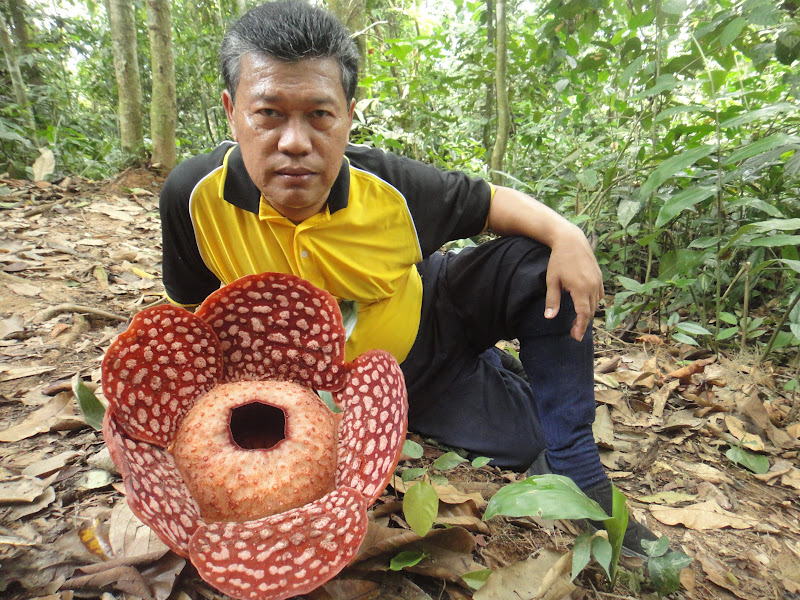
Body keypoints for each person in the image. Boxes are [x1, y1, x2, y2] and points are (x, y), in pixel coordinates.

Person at [158, 0, 664, 557]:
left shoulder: (393, 187)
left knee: (542, 263)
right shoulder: (192, 198)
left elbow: (493, 202)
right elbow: (192, 328)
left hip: (439, 299)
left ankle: (577, 467)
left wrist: (569, 235)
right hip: (400, 381)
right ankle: (504, 383)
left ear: (349, 114)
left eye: (320, 115)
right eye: (269, 113)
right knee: (526, 440)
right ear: (232, 112)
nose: (295, 142)